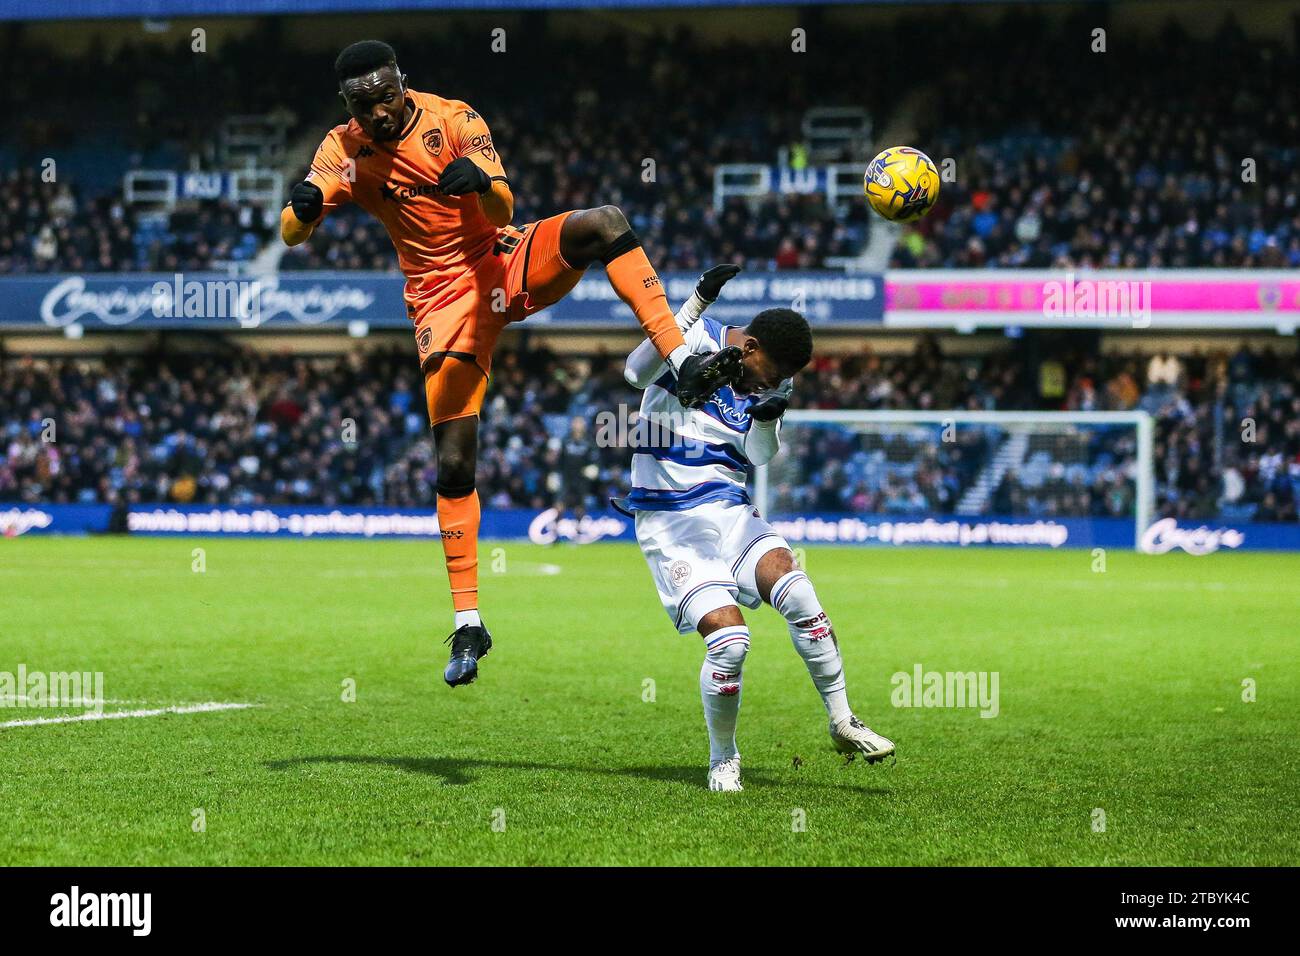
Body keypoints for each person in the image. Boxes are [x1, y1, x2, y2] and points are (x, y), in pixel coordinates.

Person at [281, 41, 739, 687]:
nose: (380, 111)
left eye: (387, 95)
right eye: (364, 103)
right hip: (441, 301)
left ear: (402, 84)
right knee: (453, 463)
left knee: (605, 223)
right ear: (349, 105)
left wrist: (481, 186)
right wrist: (302, 210)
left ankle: (683, 359)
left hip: (502, 259)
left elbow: (504, 207)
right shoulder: (343, 148)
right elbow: (291, 230)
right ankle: (469, 622)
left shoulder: (454, 119)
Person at [617, 265, 895, 791]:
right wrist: (695, 303)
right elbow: (635, 373)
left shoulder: (774, 381)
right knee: (730, 643)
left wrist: (767, 417)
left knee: (801, 595)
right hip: (672, 522)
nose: (767, 384)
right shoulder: (695, 333)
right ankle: (724, 758)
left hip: (729, 510)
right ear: (750, 345)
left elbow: (758, 456)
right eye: (766, 373)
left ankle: (841, 721)